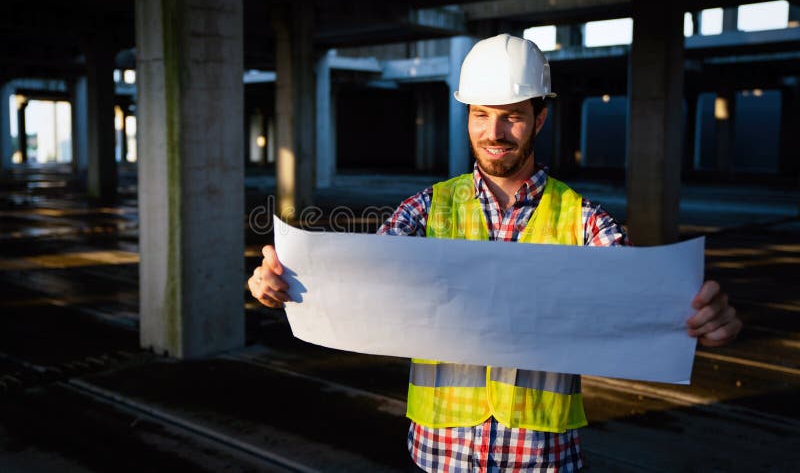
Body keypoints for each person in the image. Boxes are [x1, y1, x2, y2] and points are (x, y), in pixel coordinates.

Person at [248, 34, 742, 472]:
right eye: (480, 114)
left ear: (540, 118)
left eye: (512, 117)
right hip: (443, 450)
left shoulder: (583, 219)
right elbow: (357, 284)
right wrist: (280, 285)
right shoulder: (426, 208)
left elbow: (643, 304)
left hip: (541, 455)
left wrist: (700, 318)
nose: (494, 132)